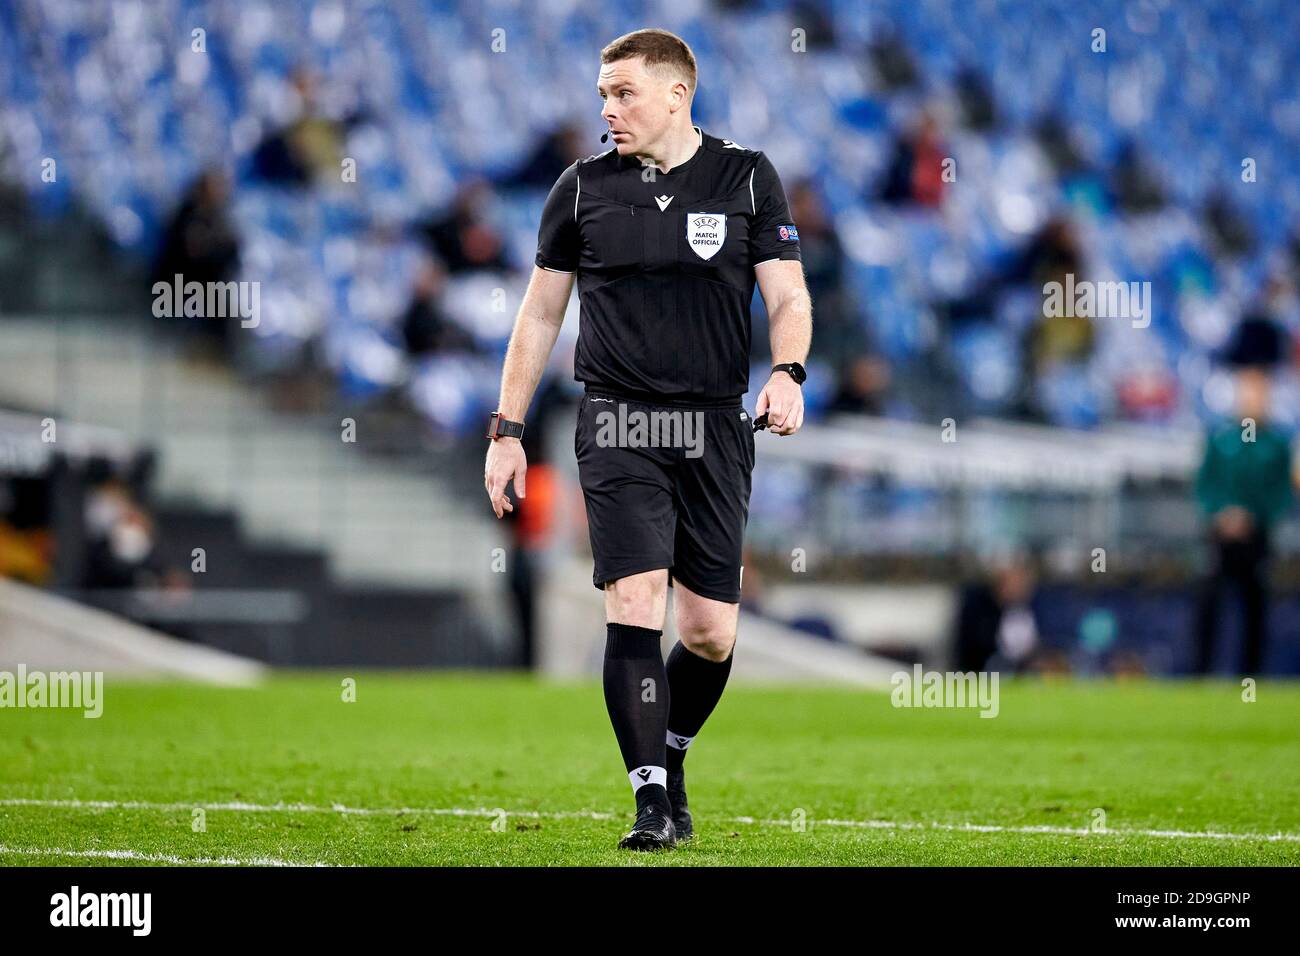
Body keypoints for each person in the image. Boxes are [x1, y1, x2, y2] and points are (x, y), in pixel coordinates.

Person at [482, 29, 812, 851]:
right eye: (602, 93)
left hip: (714, 425)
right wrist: (508, 429)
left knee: (708, 634)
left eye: (623, 92)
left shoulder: (745, 178)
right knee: (635, 602)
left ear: (676, 94)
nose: (607, 108)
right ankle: (652, 802)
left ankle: (671, 751)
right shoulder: (583, 188)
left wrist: (789, 371)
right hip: (619, 419)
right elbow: (540, 314)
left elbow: (789, 296)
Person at [1194, 367, 1294, 675]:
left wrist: (1254, 516)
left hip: (1256, 537)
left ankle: (1250, 675)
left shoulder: (1276, 444)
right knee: (1210, 601)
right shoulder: (1221, 438)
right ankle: (1201, 672)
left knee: (1255, 605)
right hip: (1220, 536)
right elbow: (1205, 485)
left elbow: (1281, 494)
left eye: (1259, 393)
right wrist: (1223, 513)